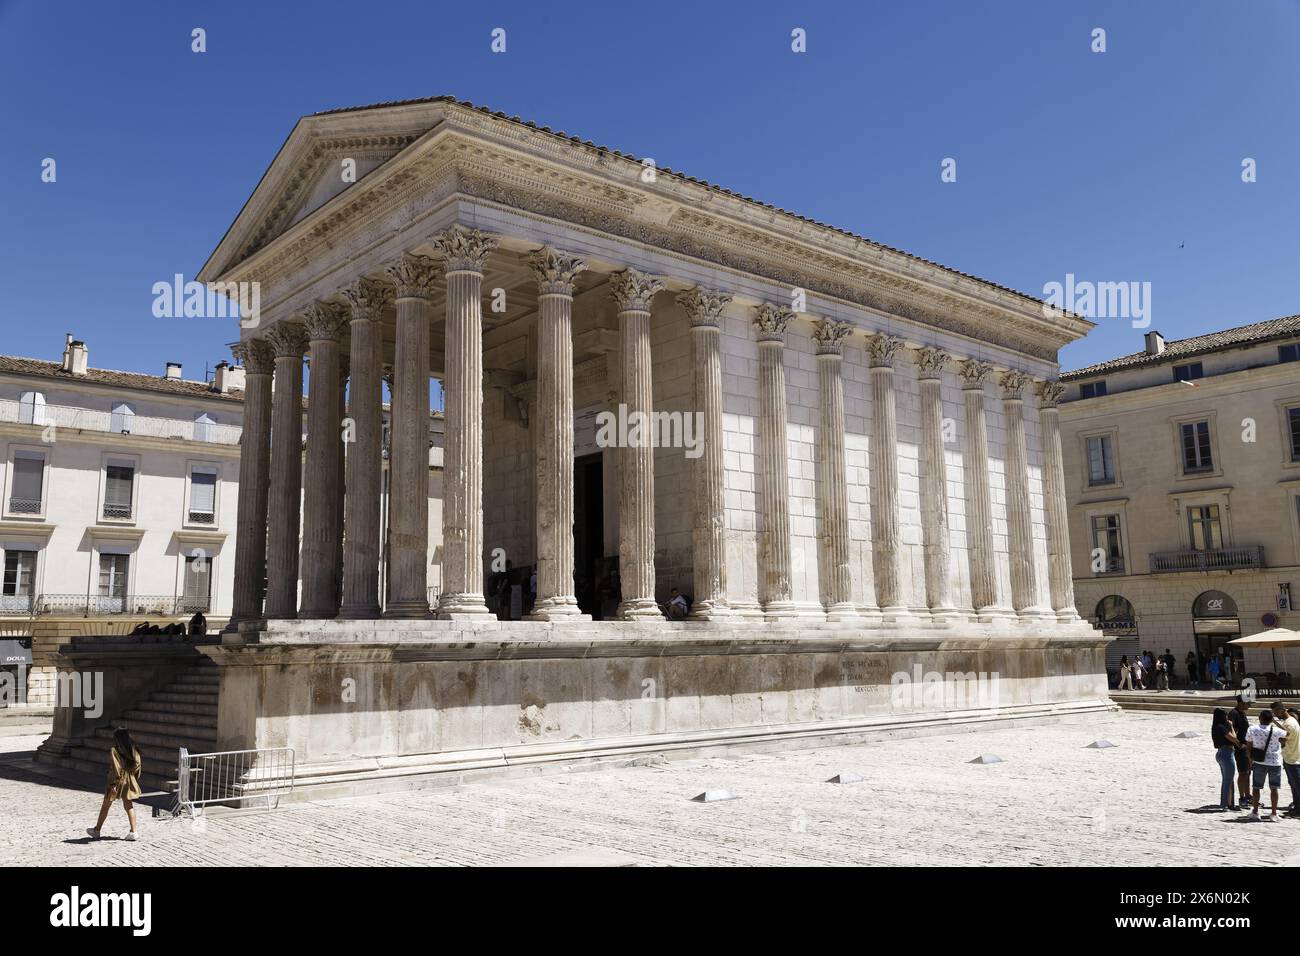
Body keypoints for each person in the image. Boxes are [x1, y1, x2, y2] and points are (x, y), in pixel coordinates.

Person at [86, 728, 142, 841]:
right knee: (129, 806)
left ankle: (97, 830)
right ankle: (133, 831)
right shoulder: (134, 750)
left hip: (116, 782)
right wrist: (133, 778)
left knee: (106, 806)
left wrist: (114, 783)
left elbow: (117, 768)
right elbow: (138, 766)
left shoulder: (114, 750)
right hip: (129, 780)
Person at [1245, 708, 1287, 821]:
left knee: (1256, 787)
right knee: (1274, 788)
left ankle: (1255, 811)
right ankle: (1273, 813)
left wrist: (1250, 760)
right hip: (1275, 762)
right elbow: (1287, 733)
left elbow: (1249, 747)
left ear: (1260, 718)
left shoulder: (1252, 729)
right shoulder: (1277, 731)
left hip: (1259, 761)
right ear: (1270, 719)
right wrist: (1275, 722)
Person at [1271, 701, 1300, 815]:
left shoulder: (1289, 724)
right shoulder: (1291, 721)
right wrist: (1275, 723)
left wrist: (1273, 736)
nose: (1275, 715)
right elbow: (1285, 730)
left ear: (1281, 710)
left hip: (1292, 759)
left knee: (1297, 786)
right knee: (1294, 786)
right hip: (1292, 756)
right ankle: (1297, 808)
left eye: (1276, 712)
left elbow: (1283, 739)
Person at [1211, 708, 1241, 810]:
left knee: (1227, 780)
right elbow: (1234, 738)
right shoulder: (1222, 728)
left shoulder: (1216, 726)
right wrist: (1231, 726)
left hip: (1221, 753)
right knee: (1228, 781)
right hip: (1227, 754)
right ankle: (1224, 804)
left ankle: (1230, 803)